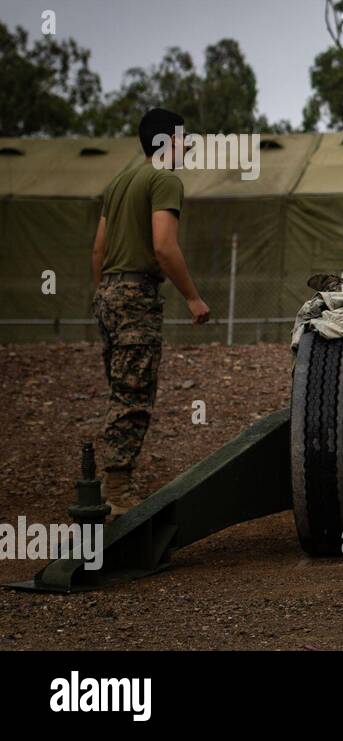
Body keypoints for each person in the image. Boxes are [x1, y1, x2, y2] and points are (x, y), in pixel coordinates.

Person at [91, 108, 210, 515]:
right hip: (136, 299)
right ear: (165, 142)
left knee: (119, 388)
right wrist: (193, 297)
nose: (189, 145)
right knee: (134, 394)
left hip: (109, 294)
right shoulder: (164, 180)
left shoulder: (119, 182)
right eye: (183, 138)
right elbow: (163, 246)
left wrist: (105, 294)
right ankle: (117, 491)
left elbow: (98, 250)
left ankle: (109, 480)